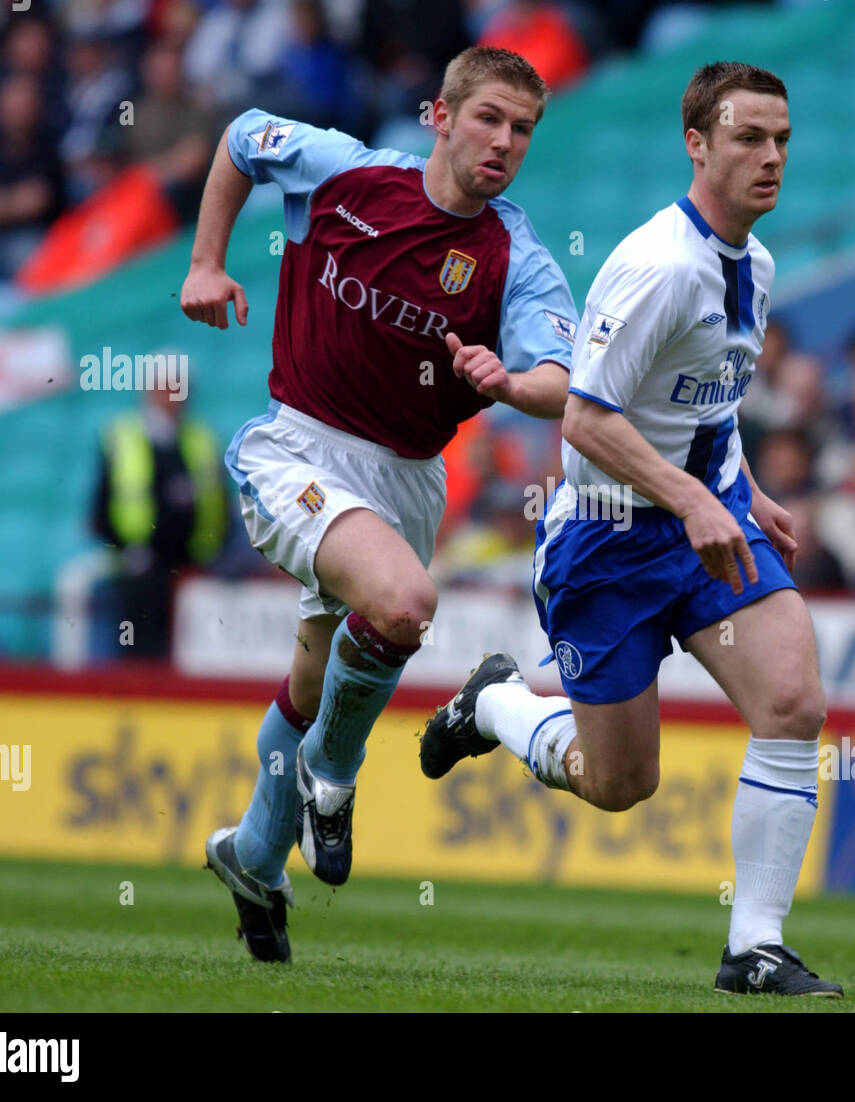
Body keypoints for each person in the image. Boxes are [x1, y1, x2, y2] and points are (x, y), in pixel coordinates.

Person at [420, 61, 843, 998]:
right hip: (607, 539)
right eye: (747, 138)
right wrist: (693, 500)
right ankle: (494, 704)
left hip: (705, 525)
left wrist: (740, 489)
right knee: (618, 784)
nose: (770, 157)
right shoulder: (658, 264)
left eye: (781, 140)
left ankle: (755, 949)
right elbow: (585, 417)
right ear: (697, 145)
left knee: (792, 702)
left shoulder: (755, 265)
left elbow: (705, 401)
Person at [180, 46, 577, 962]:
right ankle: (334, 769)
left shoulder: (514, 253)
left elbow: (565, 383)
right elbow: (242, 139)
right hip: (296, 447)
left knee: (317, 680)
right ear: (440, 117)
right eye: (488, 119)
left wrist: (510, 382)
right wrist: (207, 261)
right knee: (404, 604)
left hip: (406, 479)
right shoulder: (347, 172)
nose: (505, 142)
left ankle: (250, 854)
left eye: (522, 130)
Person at [90, 387, 228, 659]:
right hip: (139, 567)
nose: (171, 396)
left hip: (192, 562)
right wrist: (126, 550)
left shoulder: (201, 438)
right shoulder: (122, 437)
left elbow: (220, 501)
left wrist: (212, 552)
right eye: (164, 388)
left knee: (187, 649)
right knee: (139, 644)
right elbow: (100, 509)